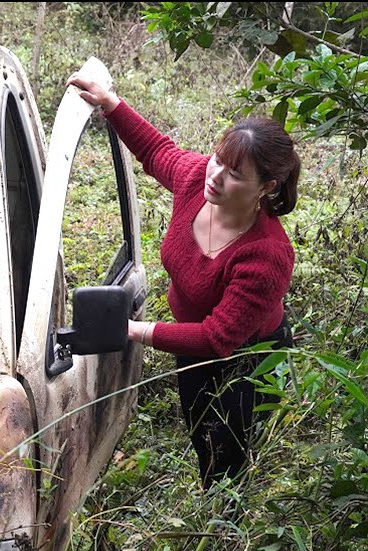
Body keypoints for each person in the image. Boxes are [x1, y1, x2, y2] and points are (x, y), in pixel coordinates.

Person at [68, 73, 300, 488]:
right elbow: (156, 149)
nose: (216, 175)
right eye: (218, 159)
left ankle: (227, 523)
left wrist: (134, 330)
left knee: (230, 449)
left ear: (265, 187)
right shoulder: (196, 178)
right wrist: (111, 103)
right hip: (192, 340)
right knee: (200, 429)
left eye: (234, 173)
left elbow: (217, 339)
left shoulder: (266, 254)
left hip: (247, 355)